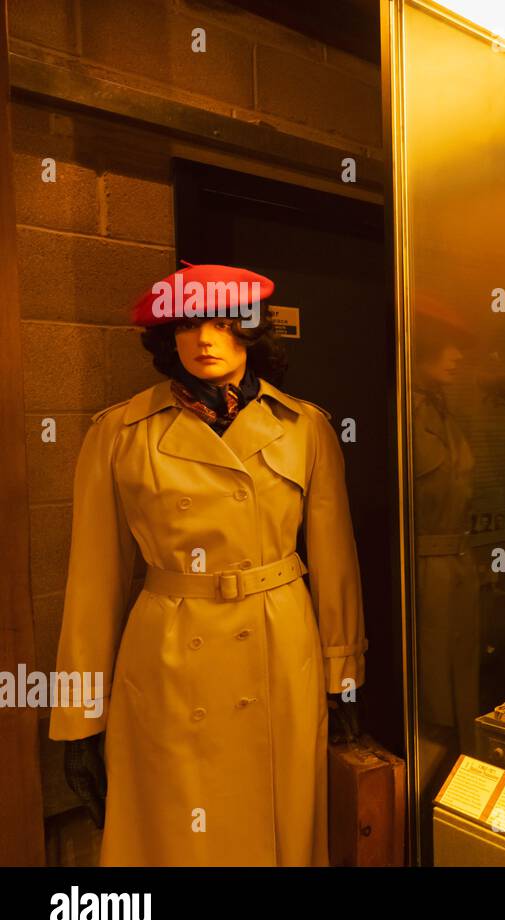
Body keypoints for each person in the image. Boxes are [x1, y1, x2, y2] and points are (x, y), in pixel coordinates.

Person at [52, 263, 366, 866]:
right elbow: (92, 582)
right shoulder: (119, 434)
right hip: (169, 655)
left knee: (280, 824)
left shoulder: (305, 429)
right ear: (167, 336)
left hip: (279, 646)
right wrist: (79, 717)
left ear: (250, 331)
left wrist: (342, 673)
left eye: (224, 322)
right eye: (189, 324)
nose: (205, 339)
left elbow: (336, 563)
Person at [409, 294, 480, 856]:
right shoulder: (406, 412)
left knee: (461, 688)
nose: (457, 356)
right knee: (432, 693)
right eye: (448, 344)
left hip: (457, 565)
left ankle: (461, 811)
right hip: (425, 570)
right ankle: (429, 821)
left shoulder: (440, 410)